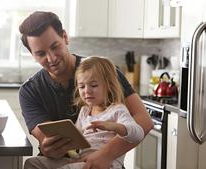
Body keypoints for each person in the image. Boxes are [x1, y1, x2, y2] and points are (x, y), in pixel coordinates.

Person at [19, 11, 153, 169]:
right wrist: (49, 148)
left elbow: (144, 121)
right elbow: (47, 139)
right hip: (66, 161)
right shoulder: (30, 91)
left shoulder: (104, 71)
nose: (51, 58)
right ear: (32, 55)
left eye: (55, 47)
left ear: (65, 37)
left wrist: (105, 155)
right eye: (41, 54)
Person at [24, 56, 145, 169]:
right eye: (82, 87)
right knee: (32, 163)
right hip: (81, 160)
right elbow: (77, 139)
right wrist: (64, 140)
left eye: (93, 85)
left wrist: (116, 127)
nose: (87, 91)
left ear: (109, 86)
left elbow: (138, 133)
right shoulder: (85, 111)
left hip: (107, 165)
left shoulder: (117, 110)